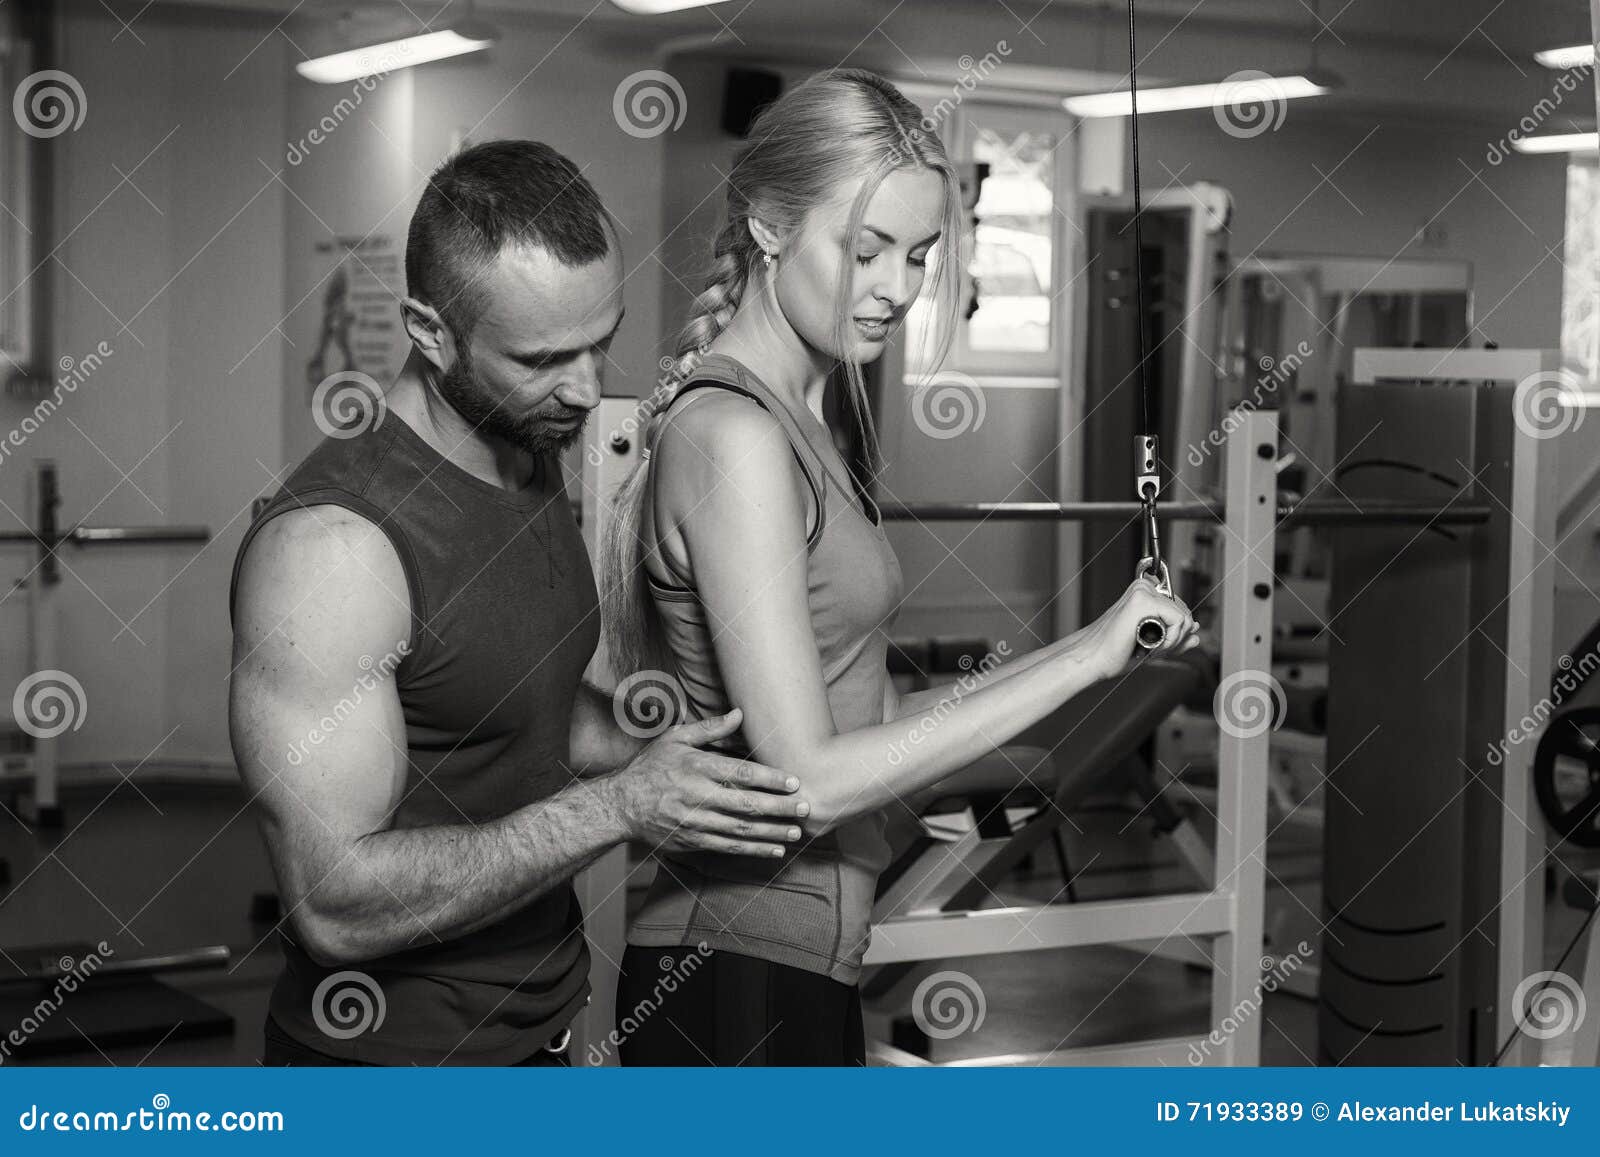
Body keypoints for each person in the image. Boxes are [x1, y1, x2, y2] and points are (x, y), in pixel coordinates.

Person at [602, 69, 1197, 1066]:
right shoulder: (735, 437)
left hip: (799, 964)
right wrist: (1081, 660)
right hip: (734, 969)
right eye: (865, 249)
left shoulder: (807, 424)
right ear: (768, 227)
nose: (899, 288)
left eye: (920, 255)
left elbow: (871, 722)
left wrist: (1097, 648)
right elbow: (807, 776)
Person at [228, 140, 812, 1067]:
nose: (586, 388)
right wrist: (622, 806)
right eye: (542, 358)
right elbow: (335, 903)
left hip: (540, 1032)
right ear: (430, 332)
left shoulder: (521, 443)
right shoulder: (333, 551)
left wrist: (675, 750)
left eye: (600, 341)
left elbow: (512, 706)